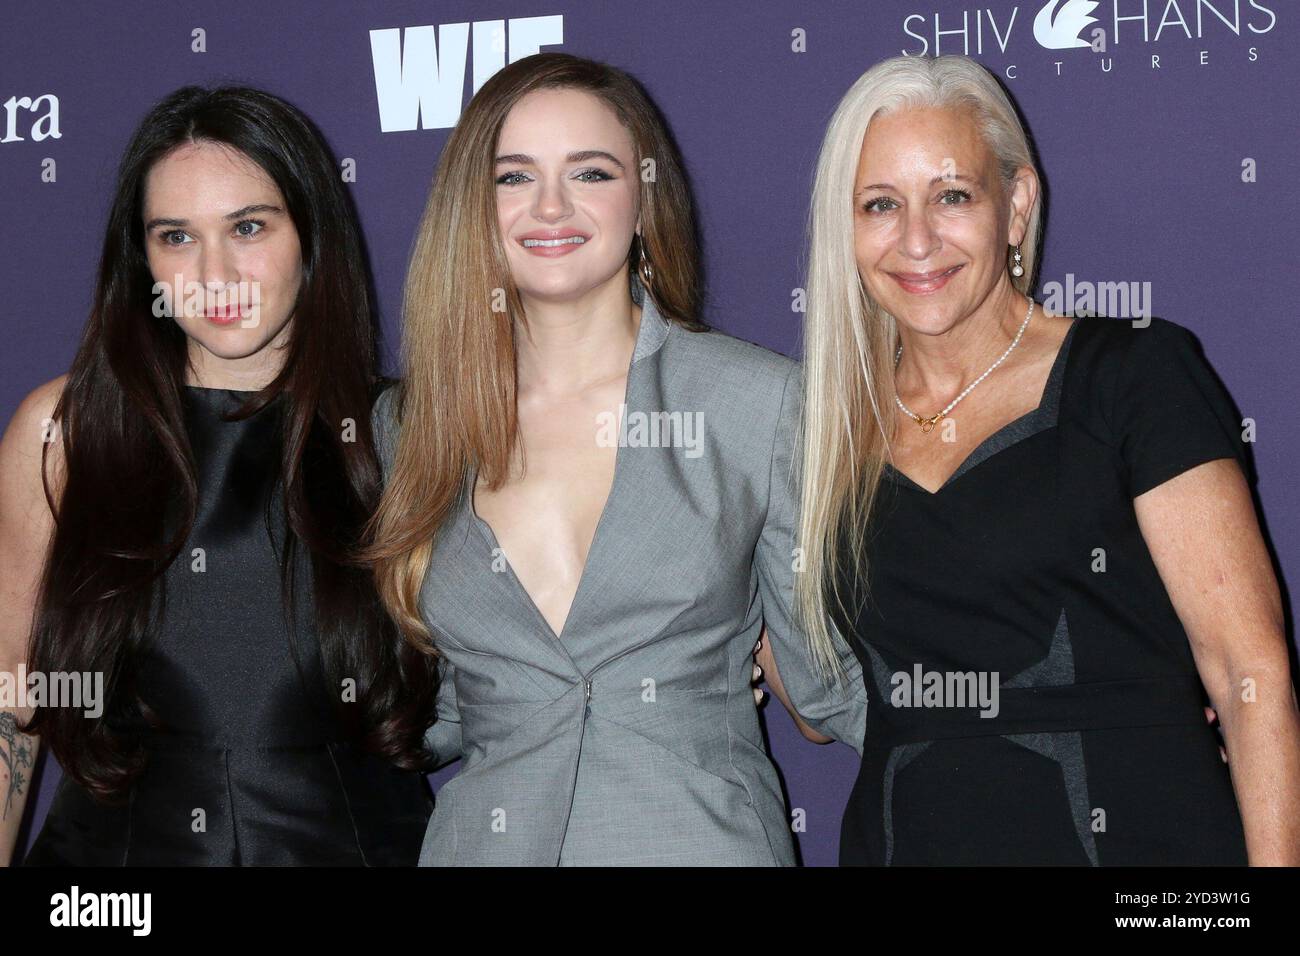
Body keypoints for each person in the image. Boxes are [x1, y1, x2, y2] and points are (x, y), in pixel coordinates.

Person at [772, 53, 1300, 865]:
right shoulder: (824, 431)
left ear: (1015, 206)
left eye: (953, 195)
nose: (917, 239)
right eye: (880, 204)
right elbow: (824, 702)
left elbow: (1246, 674)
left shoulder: (1134, 374)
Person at [365, 52, 866, 866]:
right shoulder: (410, 425)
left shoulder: (758, 402)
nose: (551, 206)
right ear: (472, 207)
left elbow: (827, 686)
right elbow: (437, 704)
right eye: (513, 176)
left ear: (643, 197)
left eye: (590, 173)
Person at [0, 86, 435, 866]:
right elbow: (9, 707)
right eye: (176, 236)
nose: (214, 271)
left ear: (311, 236)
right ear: (143, 260)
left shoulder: (403, 435)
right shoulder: (64, 432)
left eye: (248, 226)